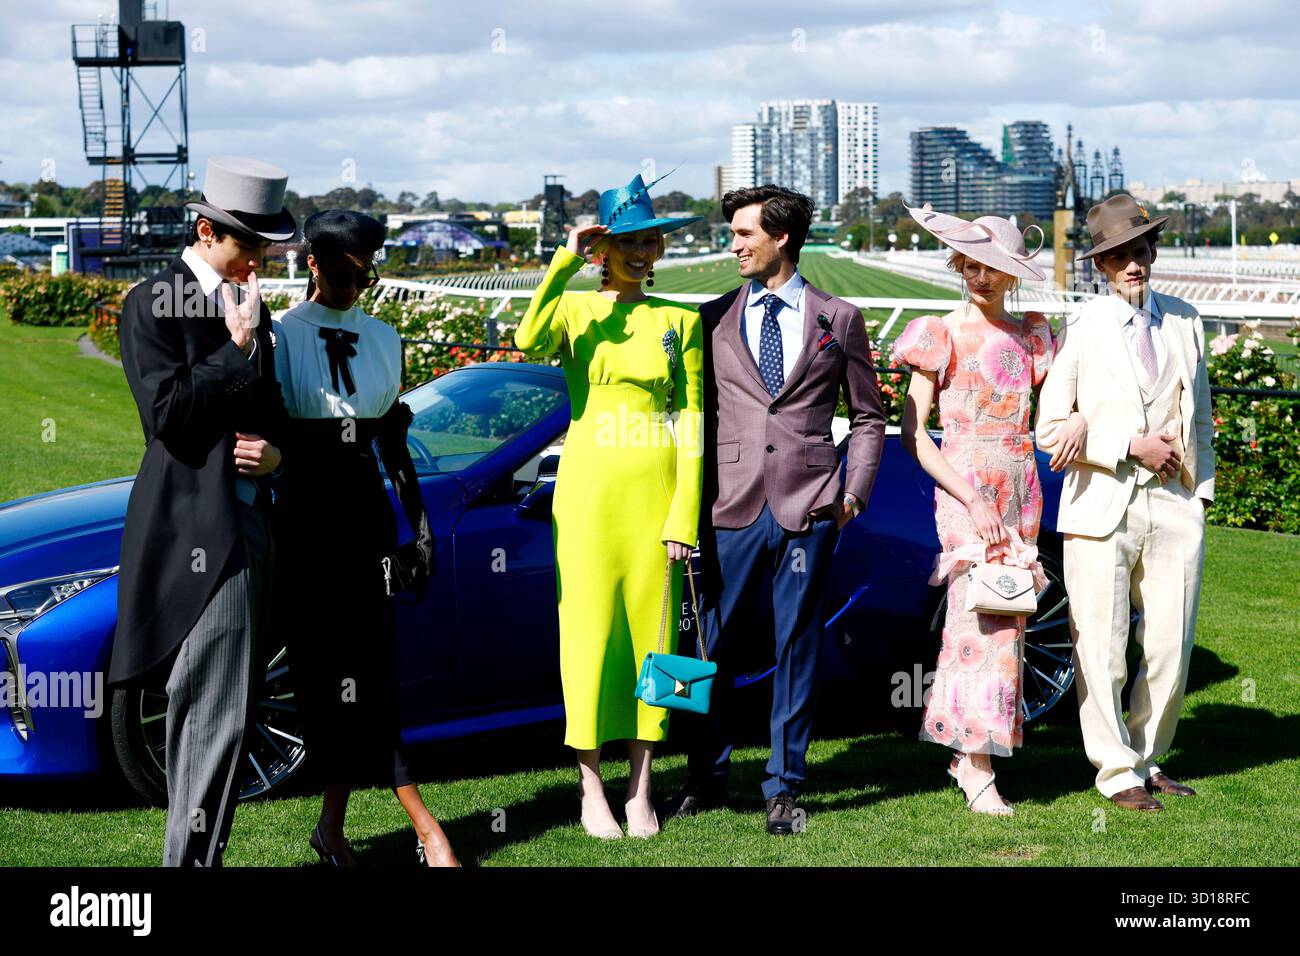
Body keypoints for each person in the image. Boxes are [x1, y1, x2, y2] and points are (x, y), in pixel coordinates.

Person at [662, 184, 886, 836]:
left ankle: (784, 787)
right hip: (724, 507)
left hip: (807, 509)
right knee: (705, 649)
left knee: (797, 650)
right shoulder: (709, 317)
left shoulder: (837, 320)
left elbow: (868, 417)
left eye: (743, 235)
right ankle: (703, 776)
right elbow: (689, 419)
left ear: (781, 238)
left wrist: (850, 494)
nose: (733, 246)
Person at [110, 155, 295, 866]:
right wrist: (237, 348)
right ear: (205, 230)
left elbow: (272, 413)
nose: (257, 261)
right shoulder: (153, 301)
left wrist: (277, 455)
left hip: (251, 526)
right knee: (213, 714)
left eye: (265, 248)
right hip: (194, 530)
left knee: (225, 711)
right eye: (247, 245)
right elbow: (169, 417)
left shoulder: (255, 304)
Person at [513, 171, 704, 839]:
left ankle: (642, 788)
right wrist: (564, 259)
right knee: (589, 643)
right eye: (626, 241)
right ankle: (591, 786)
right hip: (588, 503)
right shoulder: (575, 312)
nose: (641, 252)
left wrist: (684, 515)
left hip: (656, 502)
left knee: (659, 646)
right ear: (602, 248)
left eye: (650, 240)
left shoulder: (680, 321)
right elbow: (527, 336)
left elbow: (694, 422)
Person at [271, 210, 458, 865]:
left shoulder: (384, 337)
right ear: (313, 264)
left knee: (373, 670)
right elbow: (272, 444)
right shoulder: (277, 338)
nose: (356, 288)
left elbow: (393, 446)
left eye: (366, 275)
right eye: (345, 275)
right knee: (329, 680)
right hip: (304, 523)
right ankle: (418, 822)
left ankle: (347, 826)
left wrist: (422, 530)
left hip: (367, 519)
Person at [891, 204, 1088, 815]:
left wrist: (1077, 416)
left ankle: (969, 754)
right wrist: (971, 499)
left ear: (1011, 275)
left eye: (991, 268)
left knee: (1011, 618)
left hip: (1020, 487)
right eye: (970, 264)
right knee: (976, 624)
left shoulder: (1033, 333)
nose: (979, 276)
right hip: (965, 491)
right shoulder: (937, 333)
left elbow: (1063, 403)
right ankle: (976, 767)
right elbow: (914, 434)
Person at [1036, 194, 1214, 811]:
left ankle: (1148, 756)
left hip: (1175, 506)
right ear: (1101, 267)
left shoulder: (1188, 321)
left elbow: (1204, 419)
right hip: (1101, 508)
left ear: (1152, 253)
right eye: (1116, 258)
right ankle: (1115, 772)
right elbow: (1050, 429)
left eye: (1137, 253)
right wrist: (1124, 444)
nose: (1130, 266)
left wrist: (1201, 495)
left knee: (1169, 645)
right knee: (1104, 649)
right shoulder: (1082, 328)